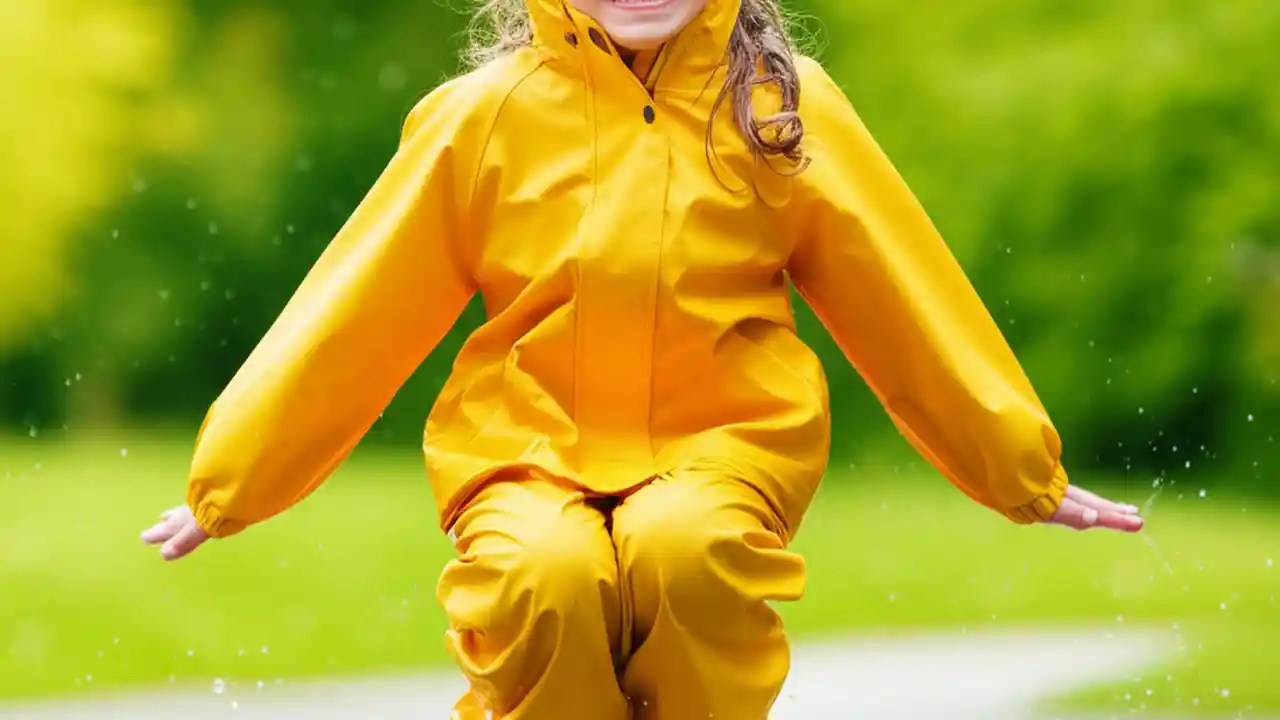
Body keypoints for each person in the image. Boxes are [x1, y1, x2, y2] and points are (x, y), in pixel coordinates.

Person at [141, 0, 1145, 717]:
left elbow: (898, 290)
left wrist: (1015, 465)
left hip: (723, 446)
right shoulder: (479, 118)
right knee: (545, 575)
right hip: (524, 449)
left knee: (684, 552)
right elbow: (357, 309)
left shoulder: (782, 109)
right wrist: (235, 478)